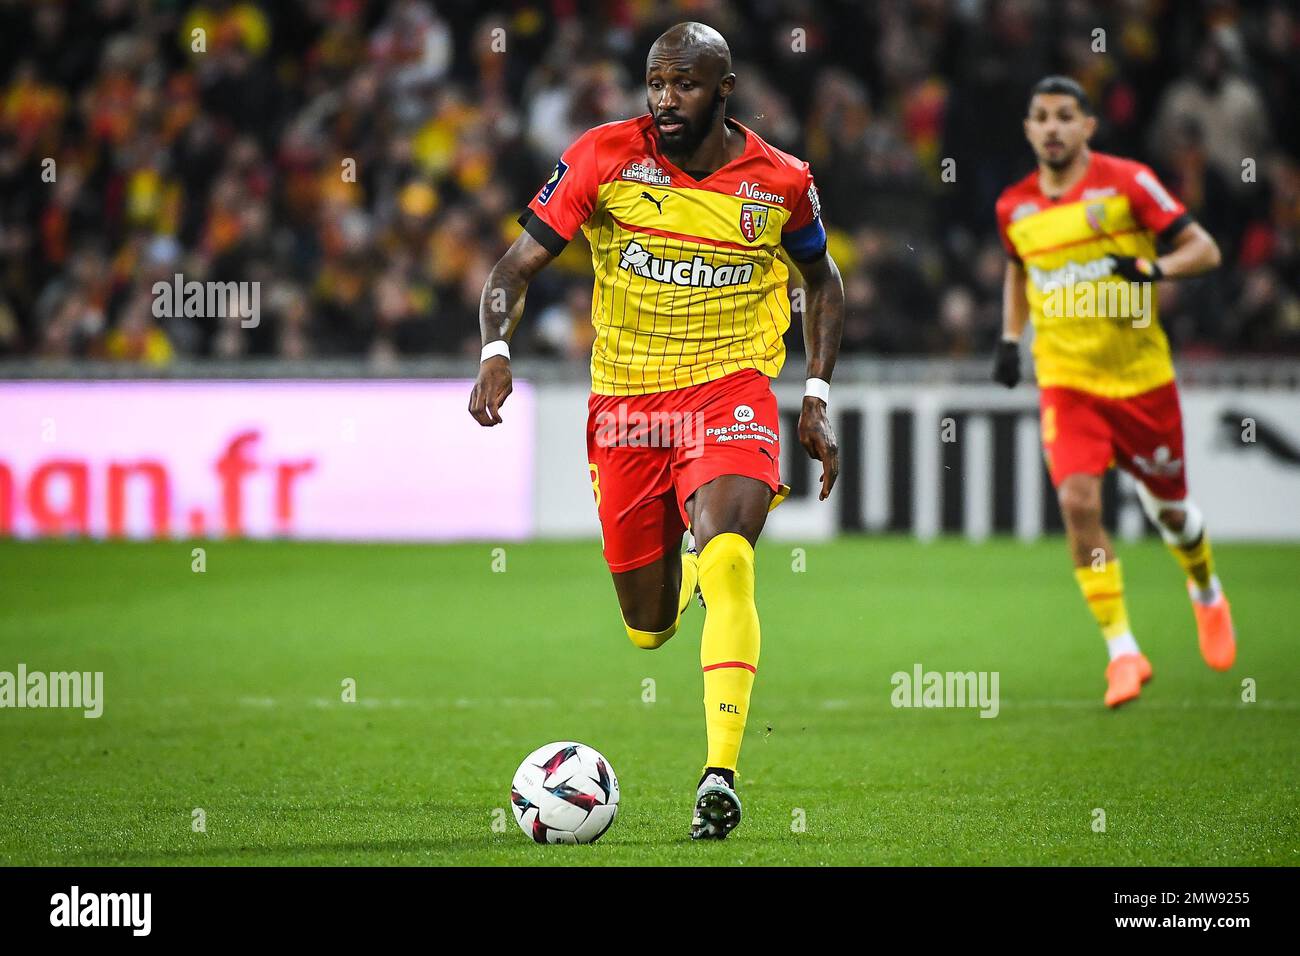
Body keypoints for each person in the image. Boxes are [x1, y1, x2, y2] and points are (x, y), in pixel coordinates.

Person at [469, 22, 844, 837]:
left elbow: (823, 280)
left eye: (685, 84)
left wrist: (814, 394)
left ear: (724, 90)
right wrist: (497, 350)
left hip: (730, 390)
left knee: (732, 557)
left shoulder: (780, 180)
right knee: (650, 630)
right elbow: (512, 268)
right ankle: (690, 558)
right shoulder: (603, 157)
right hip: (627, 411)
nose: (666, 99)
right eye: (656, 83)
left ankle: (720, 775)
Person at [993, 76, 1235, 708]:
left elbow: (1205, 250)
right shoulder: (1013, 206)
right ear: (1028, 129)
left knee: (1171, 514)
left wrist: (1155, 268)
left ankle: (1205, 589)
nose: (1052, 127)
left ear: (1087, 127)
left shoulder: (1128, 182)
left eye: (1064, 116)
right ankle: (1123, 651)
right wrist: (1009, 339)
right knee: (1078, 503)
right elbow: (1018, 267)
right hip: (1067, 382)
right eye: (1041, 116)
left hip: (1141, 382)